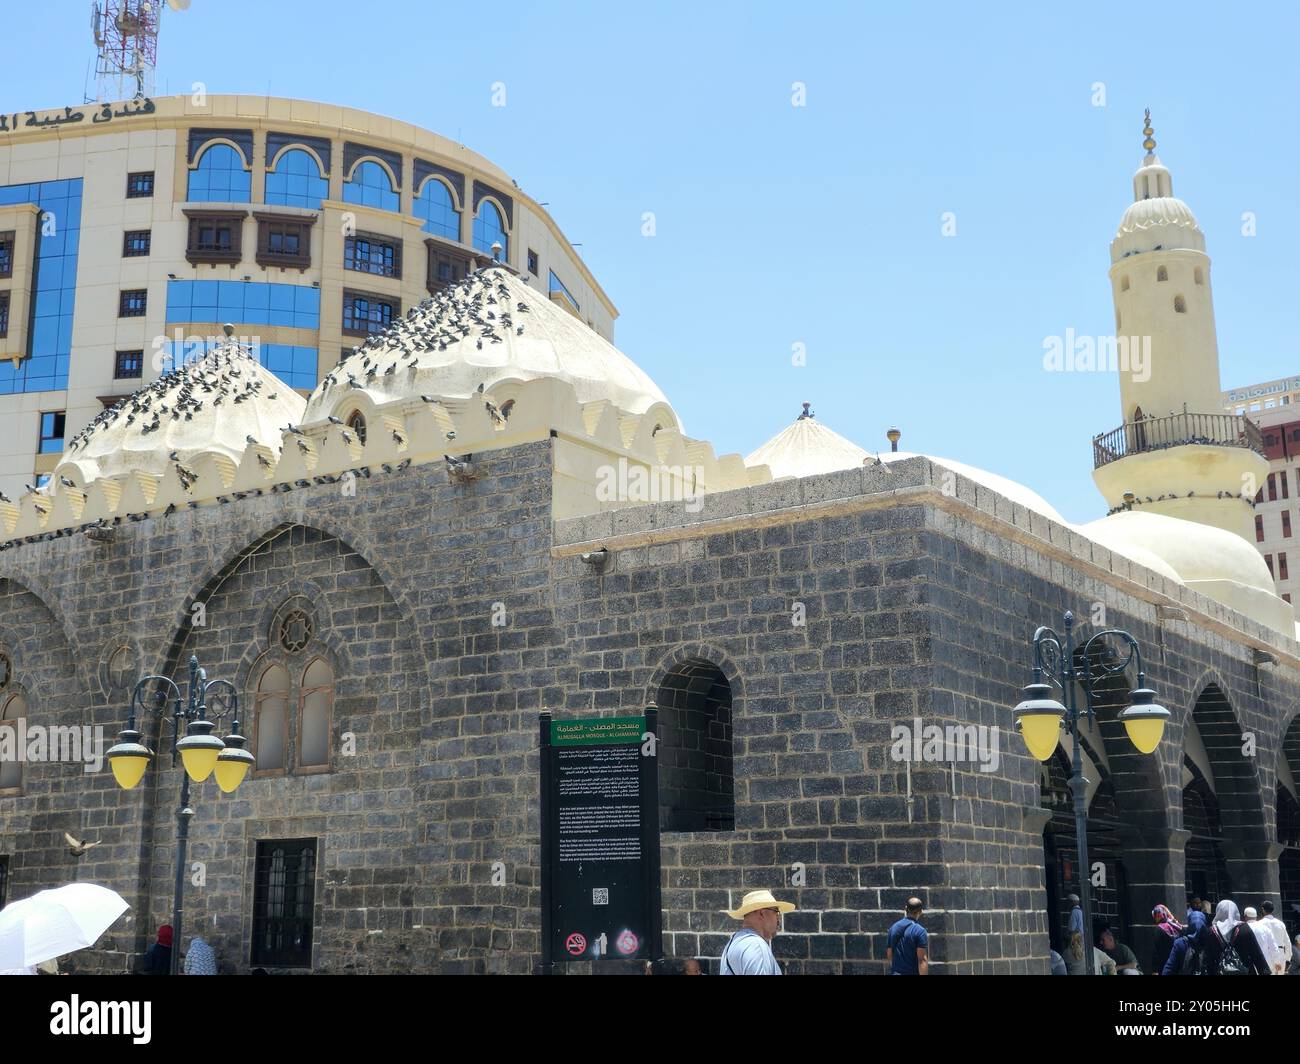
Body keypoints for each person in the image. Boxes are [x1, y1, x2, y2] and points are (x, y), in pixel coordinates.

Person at [719, 889, 794, 975]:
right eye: (776, 912)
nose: (778, 918)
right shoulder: (756, 946)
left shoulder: (735, 941)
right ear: (762, 913)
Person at [1193, 900, 1270, 975]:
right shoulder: (1244, 929)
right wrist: (1264, 971)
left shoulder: (1211, 932)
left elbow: (1208, 959)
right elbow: (1256, 954)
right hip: (1245, 971)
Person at [886, 897, 929, 975]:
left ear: (906, 909)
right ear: (921, 911)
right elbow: (922, 960)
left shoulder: (893, 928)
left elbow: (889, 953)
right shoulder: (920, 931)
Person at [1242, 908, 1283, 975]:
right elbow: (1273, 947)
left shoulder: (1242, 929)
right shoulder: (1265, 928)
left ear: (1245, 916)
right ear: (1256, 916)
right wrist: (1277, 962)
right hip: (1266, 964)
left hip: (1249, 966)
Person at [1258, 902, 1291, 975]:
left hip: (1267, 955)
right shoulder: (1280, 924)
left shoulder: (1259, 924)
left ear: (1263, 909)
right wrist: (1287, 959)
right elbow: (1287, 943)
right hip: (1280, 954)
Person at [1150, 904, 1183, 976]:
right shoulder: (1175, 926)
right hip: (1177, 963)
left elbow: (1156, 951)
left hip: (1164, 963)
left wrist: (1154, 970)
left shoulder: (1159, 929)